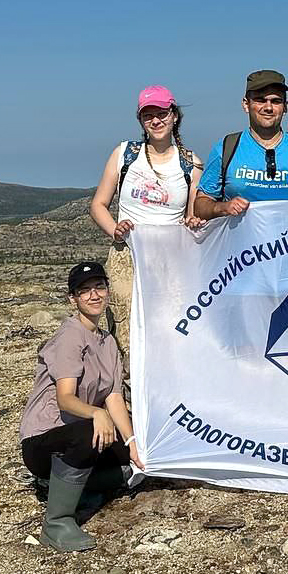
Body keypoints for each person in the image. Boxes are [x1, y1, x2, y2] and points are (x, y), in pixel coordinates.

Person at [19, 262, 144, 552]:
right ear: (73, 299)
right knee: (89, 431)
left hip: (82, 433)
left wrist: (134, 442)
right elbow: (66, 398)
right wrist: (97, 413)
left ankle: (71, 486)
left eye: (99, 287)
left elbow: (113, 396)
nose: (94, 295)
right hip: (45, 440)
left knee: (140, 457)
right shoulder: (70, 336)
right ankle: (57, 522)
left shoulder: (108, 341)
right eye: (84, 291)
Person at [89, 85, 203, 370]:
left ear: (174, 115)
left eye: (162, 113)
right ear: (140, 120)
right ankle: (128, 406)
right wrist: (114, 229)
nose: (156, 120)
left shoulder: (192, 164)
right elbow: (98, 205)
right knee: (126, 336)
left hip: (171, 261)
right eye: (148, 115)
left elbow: (192, 215)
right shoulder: (124, 154)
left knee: (169, 331)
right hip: (127, 257)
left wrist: (193, 221)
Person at [194, 70, 288, 219]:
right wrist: (222, 207)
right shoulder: (225, 148)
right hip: (239, 241)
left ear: (285, 107)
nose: (268, 107)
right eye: (260, 100)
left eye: (276, 101)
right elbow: (200, 206)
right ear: (246, 104)